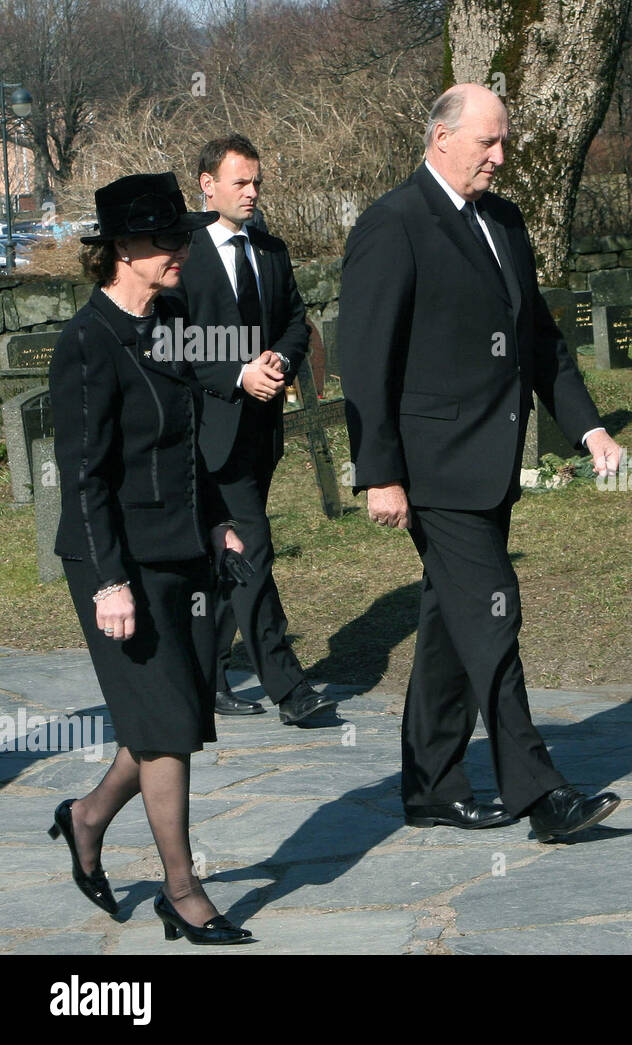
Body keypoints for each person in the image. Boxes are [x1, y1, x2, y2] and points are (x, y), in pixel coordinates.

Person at [339, 83, 623, 841]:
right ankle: (540, 793)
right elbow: (364, 362)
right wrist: (379, 471)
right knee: (495, 608)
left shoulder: (503, 220)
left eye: (504, 143)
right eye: (487, 143)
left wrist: (588, 428)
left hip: (490, 463)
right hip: (432, 469)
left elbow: (539, 341)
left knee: (452, 620)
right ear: (440, 137)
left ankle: (431, 785)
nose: (500, 158)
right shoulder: (392, 224)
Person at [48, 171, 255, 944]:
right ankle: (182, 888)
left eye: (184, 236)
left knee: (170, 711)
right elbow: (83, 475)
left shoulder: (171, 317)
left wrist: (217, 523)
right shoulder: (84, 343)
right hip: (114, 560)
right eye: (168, 239)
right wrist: (108, 581)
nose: (183, 250)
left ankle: (86, 816)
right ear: (122, 249)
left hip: (181, 547)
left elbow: (186, 442)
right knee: (167, 726)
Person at [162, 134, 334, 725]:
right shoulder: (178, 254)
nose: (253, 192)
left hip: (262, 432)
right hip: (208, 433)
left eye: (257, 181)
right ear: (207, 185)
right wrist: (237, 372)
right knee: (252, 549)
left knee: (228, 559)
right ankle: (289, 687)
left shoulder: (271, 248)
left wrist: (278, 362)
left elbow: (292, 319)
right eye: (241, 182)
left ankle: (200, 678)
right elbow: (170, 344)